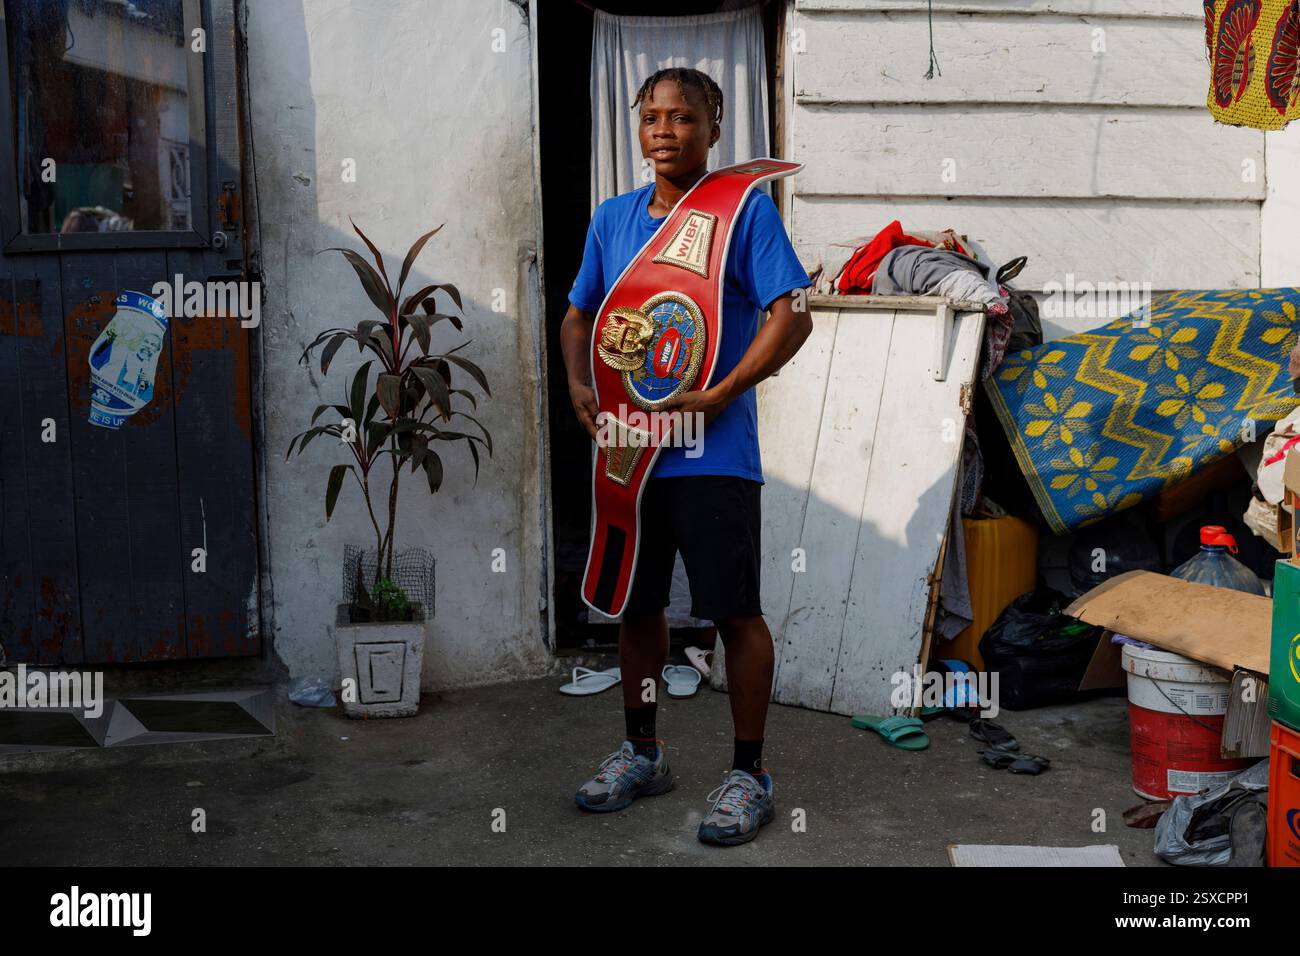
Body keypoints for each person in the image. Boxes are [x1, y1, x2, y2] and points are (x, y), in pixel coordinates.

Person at [560, 67, 812, 846]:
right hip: (629, 451)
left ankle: (750, 773)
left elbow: (792, 317)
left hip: (713, 453)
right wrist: (576, 385)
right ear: (638, 129)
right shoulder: (612, 218)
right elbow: (579, 316)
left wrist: (726, 388)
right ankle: (642, 752)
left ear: (713, 127)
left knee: (734, 611)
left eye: (683, 117)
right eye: (652, 117)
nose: (665, 130)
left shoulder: (744, 214)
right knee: (637, 610)